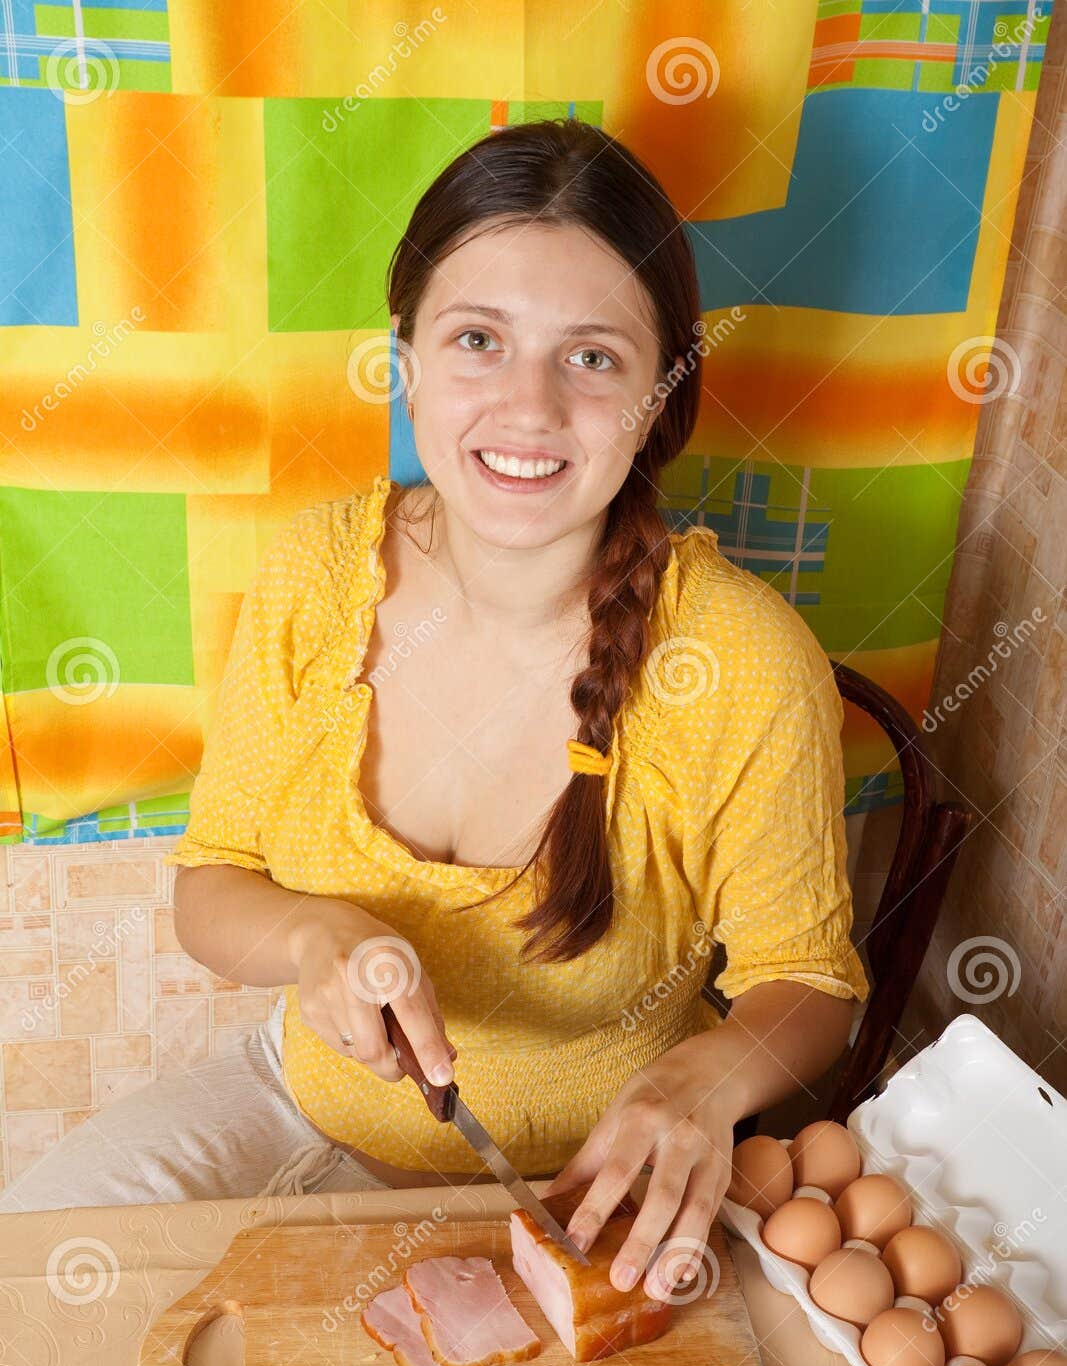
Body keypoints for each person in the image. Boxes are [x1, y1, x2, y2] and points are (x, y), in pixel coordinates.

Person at [0, 119, 868, 1297]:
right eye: (477, 340)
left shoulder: (744, 658)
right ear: (406, 362)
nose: (527, 408)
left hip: (582, 1183)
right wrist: (321, 936)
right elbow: (211, 883)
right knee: (32, 1283)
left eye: (592, 357)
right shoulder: (314, 571)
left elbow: (808, 980)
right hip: (291, 1104)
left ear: (663, 393)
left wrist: (701, 1079)